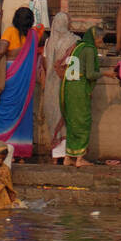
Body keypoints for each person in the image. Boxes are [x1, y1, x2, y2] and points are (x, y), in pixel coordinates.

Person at [0, 6, 45, 161]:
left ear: (15, 19)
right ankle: (20, 153)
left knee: (3, 109)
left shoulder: (9, 31)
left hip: (9, 75)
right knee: (22, 112)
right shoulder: (34, 34)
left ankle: (4, 149)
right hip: (25, 78)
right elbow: (44, 34)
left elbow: (1, 51)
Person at [57, 26, 101, 166]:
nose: (101, 41)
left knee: (72, 122)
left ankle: (68, 158)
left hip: (69, 87)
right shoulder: (89, 49)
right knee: (83, 122)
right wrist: (107, 74)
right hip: (79, 88)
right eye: (100, 38)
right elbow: (90, 74)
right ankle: (80, 159)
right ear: (95, 38)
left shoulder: (78, 46)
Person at [42, 10, 77, 160]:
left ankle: (56, 157)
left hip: (50, 85)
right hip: (66, 84)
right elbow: (74, 67)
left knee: (55, 115)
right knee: (66, 116)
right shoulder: (74, 40)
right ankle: (67, 156)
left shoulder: (48, 42)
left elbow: (45, 64)